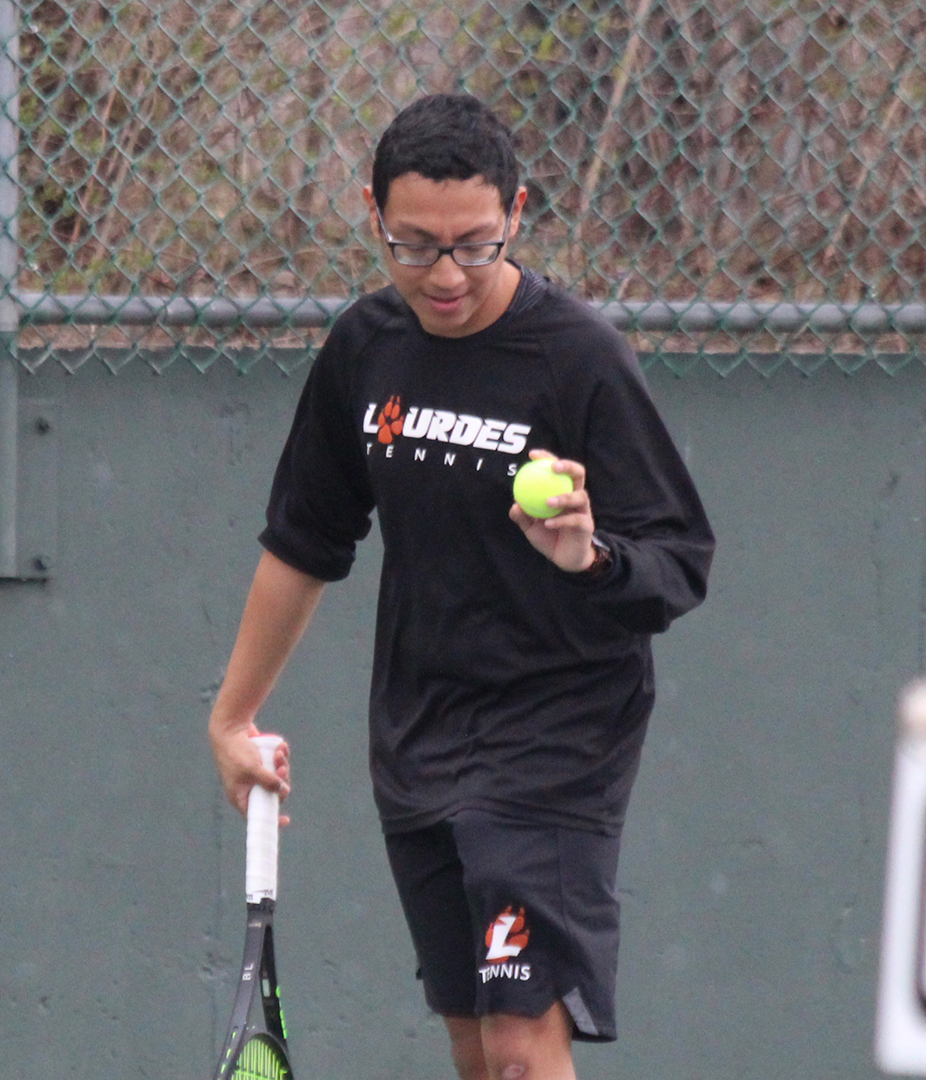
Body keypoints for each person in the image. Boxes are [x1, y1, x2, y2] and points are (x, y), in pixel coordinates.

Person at [207, 92, 713, 1080]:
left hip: (556, 738)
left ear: (517, 214)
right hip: (420, 733)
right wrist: (234, 715)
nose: (445, 275)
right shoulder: (365, 348)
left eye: (474, 246)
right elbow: (305, 540)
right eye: (416, 245)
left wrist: (587, 554)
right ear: (372, 215)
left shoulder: (579, 360)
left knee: (525, 1046)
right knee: (479, 1051)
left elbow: (680, 559)